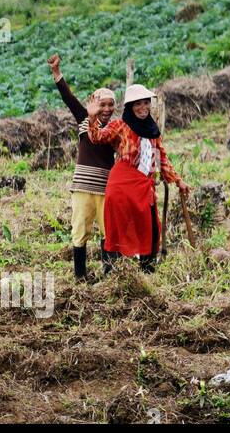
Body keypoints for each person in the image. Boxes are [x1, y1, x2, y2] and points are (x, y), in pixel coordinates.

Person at [86, 84, 190, 273]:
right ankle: (112, 272)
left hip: (144, 186)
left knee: (150, 229)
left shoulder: (152, 130)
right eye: (138, 104)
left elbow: (161, 156)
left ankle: (147, 271)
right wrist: (92, 117)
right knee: (119, 226)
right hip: (122, 184)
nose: (143, 108)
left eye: (146, 103)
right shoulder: (121, 125)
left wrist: (177, 180)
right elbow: (97, 138)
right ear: (130, 107)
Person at [48, 54, 116, 280]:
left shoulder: (117, 128)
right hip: (83, 186)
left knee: (109, 231)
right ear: (92, 102)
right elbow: (68, 98)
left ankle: (109, 275)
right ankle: (80, 277)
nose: (106, 108)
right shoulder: (83, 120)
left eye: (110, 104)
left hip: (107, 187)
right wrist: (57, 73)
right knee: (80, 230)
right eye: (101, 103)